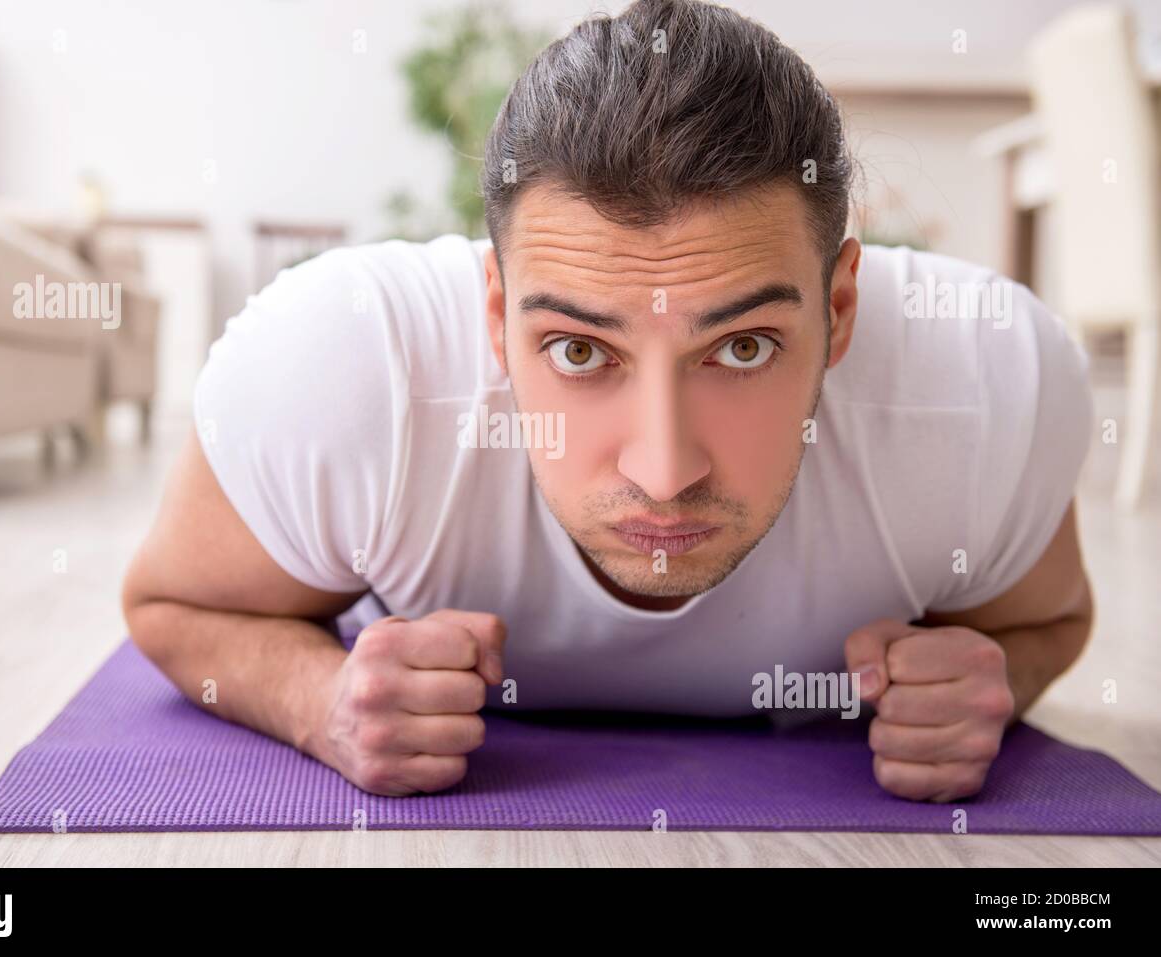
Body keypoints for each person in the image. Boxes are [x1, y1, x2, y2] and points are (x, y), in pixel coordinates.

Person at [122, 0, 1094, 802]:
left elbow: (1047, 620)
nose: (663, 472)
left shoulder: (980, 389)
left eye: (742, 347)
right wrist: (317, 700)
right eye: (580, 349)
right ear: (495, 313)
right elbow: (170, 603)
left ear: (840, 310)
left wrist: (995, 684)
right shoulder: (346, 366)